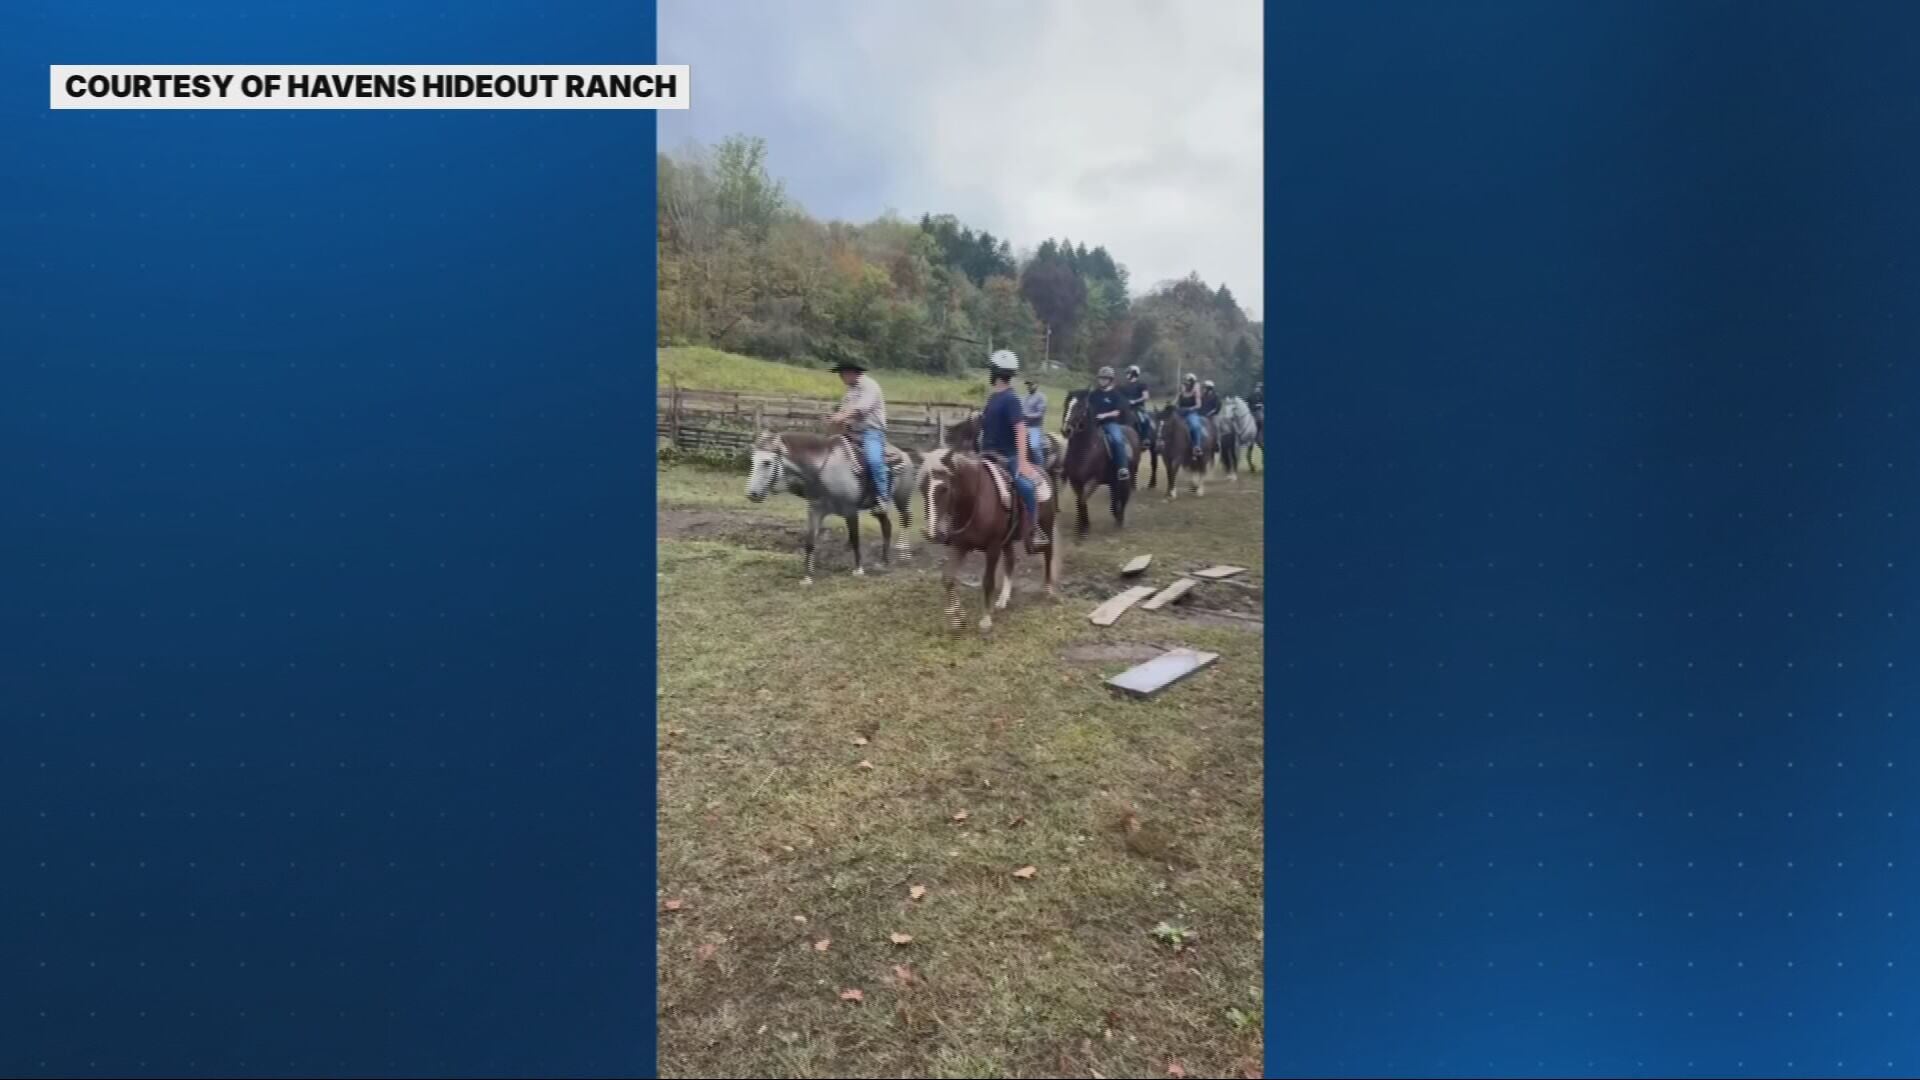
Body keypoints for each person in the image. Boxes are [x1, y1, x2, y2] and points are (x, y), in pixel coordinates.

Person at [980, 350, 1047, 550]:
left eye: (992, 369)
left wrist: (1023, 461)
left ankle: (1034, 531)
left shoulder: (1011, 399)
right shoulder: (993, 398)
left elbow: (1020, 430)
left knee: (1025, 487)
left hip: (1008, 456)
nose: (990, 373)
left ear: (998, 372)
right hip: (987, 454)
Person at [827, 358, 890, 510]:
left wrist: (841, 417)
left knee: (874, 461)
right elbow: (844, 410)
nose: (841, 377)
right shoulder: (851, 391)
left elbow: (861, 409)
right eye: (840, 374)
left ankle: (882, 497)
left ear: (852, 372)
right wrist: (834, 416)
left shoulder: (870, 386)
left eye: (842, 373)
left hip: (871, 432)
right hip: (851, 432)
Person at [1087, 366, 1133, 484]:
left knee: (1117, 440)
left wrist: (1104, 415)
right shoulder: (1094, 394)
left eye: (1105, 379)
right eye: (1101, 378)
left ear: (1110, 380)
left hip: (1110, 423)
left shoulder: (1116, 395)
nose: (1102, 380)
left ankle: (1122, 468)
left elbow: (1117, 411)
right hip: (1094, 423)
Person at [1174, 373, 1206, 460]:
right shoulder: (1181, 391)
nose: (1186, 383)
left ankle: (1196, 447)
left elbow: (1199, 405)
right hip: (1180, 412)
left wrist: (1190, 409)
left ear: (1192, 382)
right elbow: (1176, 402)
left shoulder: (1196, 391)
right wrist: (1173, 406)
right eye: (1185, 381)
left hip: (1191, 413)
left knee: (1195, 426)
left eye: (1188, 381)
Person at [1021, 376, 1049, 469]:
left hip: (1034, 427)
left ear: (1037, 385)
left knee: (1034, 447)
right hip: (1022, 427)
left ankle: (1041, 468)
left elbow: (1040, 413)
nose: (1029, 386)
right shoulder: (1024, 397)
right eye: (1028, 385)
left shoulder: (1041, 397)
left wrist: (1027, 416)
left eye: (1031, 384)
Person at [1122, 365, 1152, 441]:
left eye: (1128, 373)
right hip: (1127, 408)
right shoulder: (1124, 386)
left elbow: (1146, 397)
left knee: (1145, 420)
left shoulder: (1142, 385)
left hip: (1138, 408)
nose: (1127, 375)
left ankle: (1145, 439)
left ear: (1134, 374)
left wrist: (1135, 401)